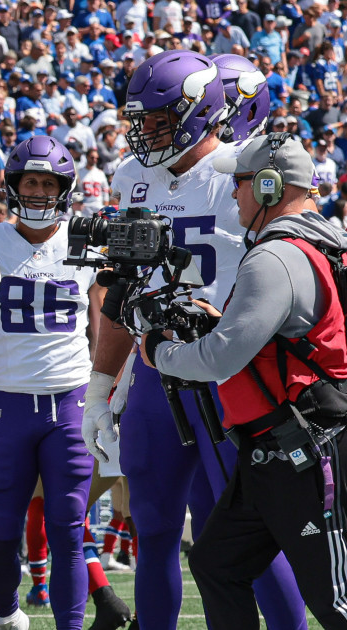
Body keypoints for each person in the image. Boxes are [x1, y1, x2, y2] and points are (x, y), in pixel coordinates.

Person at [85, 50, 308, 630]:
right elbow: (117, 284)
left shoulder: (251, 165)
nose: (146, 131)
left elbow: (296, 263)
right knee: (153, 526)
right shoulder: (130, 176)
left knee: (251, 536)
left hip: (234, 373)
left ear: (201, 110)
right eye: (142, 119)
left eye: (160, 118)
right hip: (157, 374)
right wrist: (101, 380)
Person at [145, 134, 347, 629]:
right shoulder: (310, 241)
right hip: (273, 448)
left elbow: (218, 361)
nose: (234, 194)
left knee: (336, 602)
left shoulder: (274, 257)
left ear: (270, 185)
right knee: (216, 564)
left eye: (239, 183)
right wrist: (221, 323)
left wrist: (159, 352)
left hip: (302, 448)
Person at [0, 136, 126, 630]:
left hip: (71, 399)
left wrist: (107, 387)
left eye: (48, 183)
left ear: (65, 189)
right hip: (9, 402)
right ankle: (7, 614)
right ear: (14, 186)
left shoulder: (84, 243)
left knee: (66, 529)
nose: (38, 191)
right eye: (30, 181)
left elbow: (101, 321)